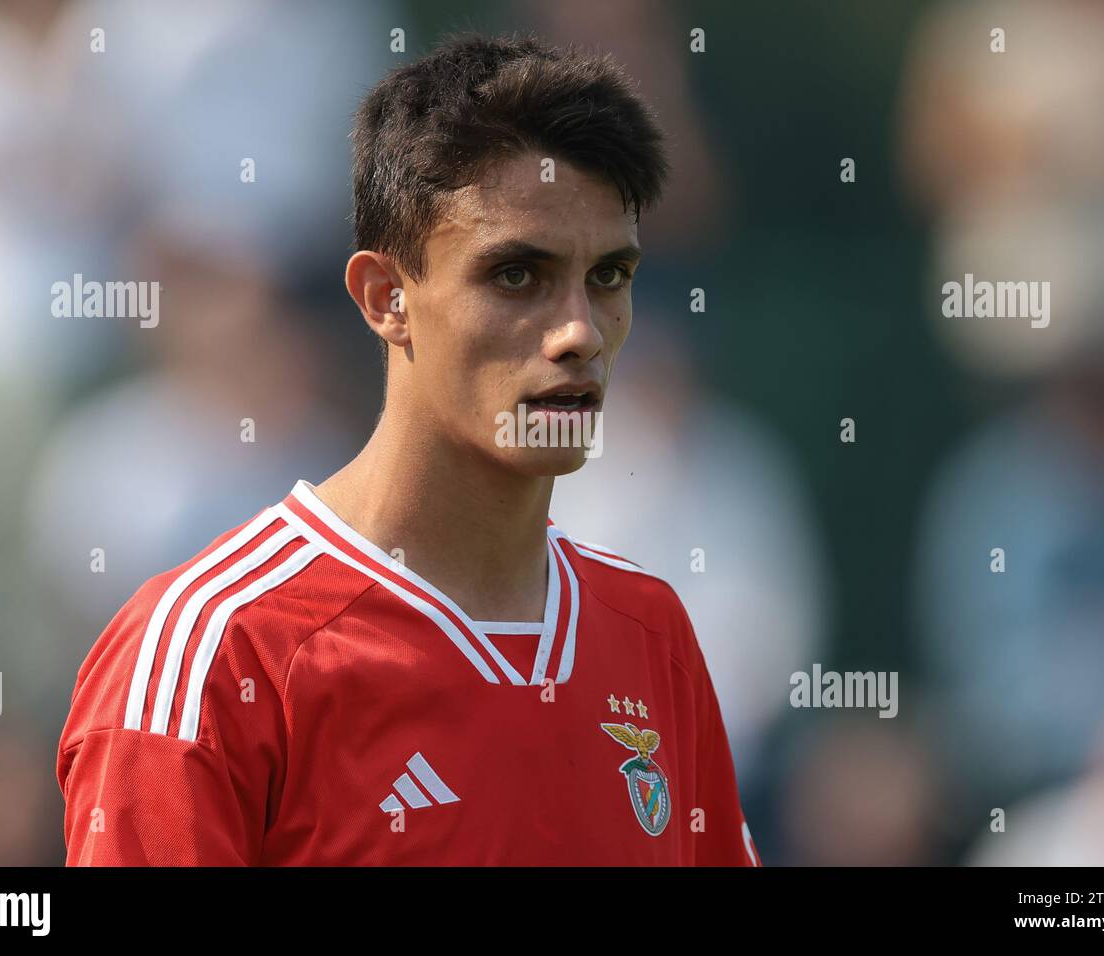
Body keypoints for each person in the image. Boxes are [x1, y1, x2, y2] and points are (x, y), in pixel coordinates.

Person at [57, 32, 759, 866]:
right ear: (385, 297)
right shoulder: (215, 651)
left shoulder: (650, 634)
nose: (578, 332)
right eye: (516, 276)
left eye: (608, 277)